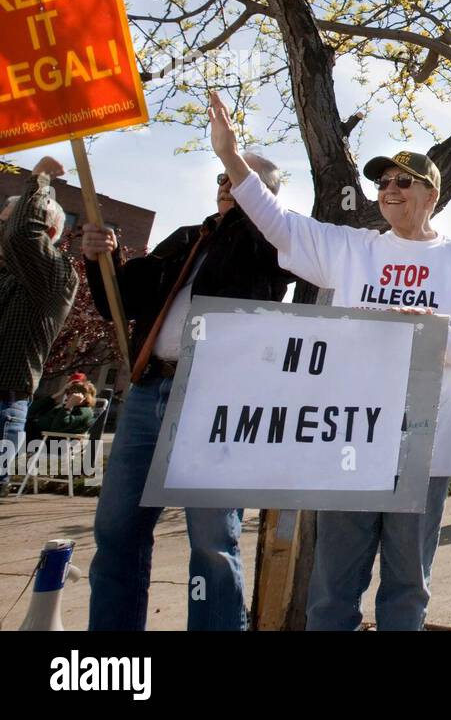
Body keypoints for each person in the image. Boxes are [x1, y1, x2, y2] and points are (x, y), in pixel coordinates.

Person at [209, 91, 451, 631]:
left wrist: (420, 335)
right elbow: (279, 223)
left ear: (432, 193)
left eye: (402, 182)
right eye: (382, 183)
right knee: (334, 587)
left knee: (408, 587)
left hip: (423, 445)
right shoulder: (352, 248)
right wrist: (231, 159)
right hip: (350, 440)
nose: (389, 191)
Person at [82, 151, 292, 631]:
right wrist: (103, 257)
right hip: (148, 391)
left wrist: (252, 208)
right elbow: (125, 299)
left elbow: (297, 263)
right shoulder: (187, 239)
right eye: (222, 176)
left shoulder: (272, 242)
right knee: (116, 530)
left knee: (213, 540)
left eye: (239, 178)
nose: (225, 183)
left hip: (212, 401)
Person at [0, 157, 78, 494]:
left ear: (47, 233)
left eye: (4, 224)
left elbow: (21, 234)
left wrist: (40, 180)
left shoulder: (54, 277)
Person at [25, 376, 97, 441]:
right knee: (21, 420)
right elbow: (30, 411)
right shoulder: (69, 407)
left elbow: (57, 427)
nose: (68, 395)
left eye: (73, 393)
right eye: (68, 392)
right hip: (35, 435)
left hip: (48, 442)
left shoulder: (84, 411)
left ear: (83, 396)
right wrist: (60, 393)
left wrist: (69, 407)